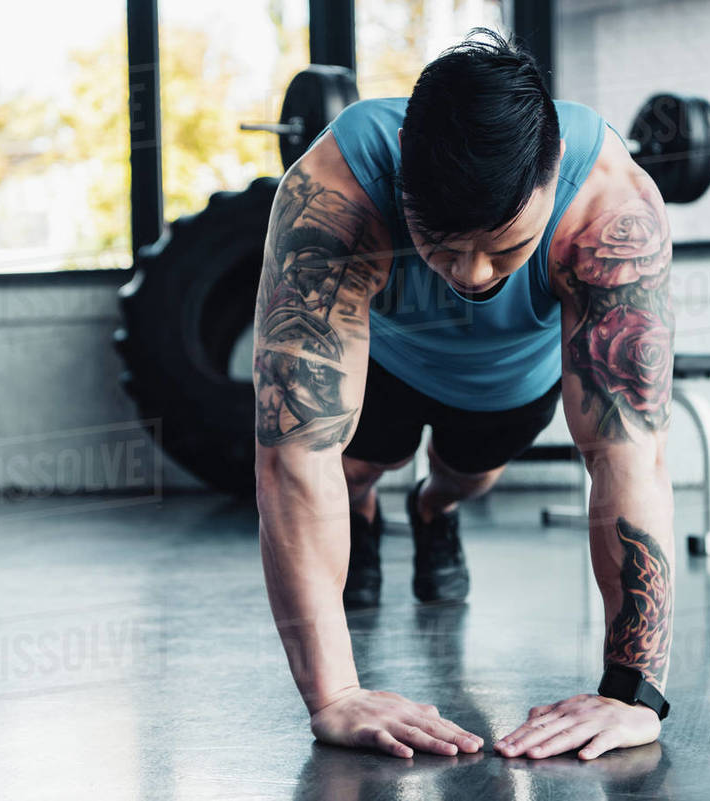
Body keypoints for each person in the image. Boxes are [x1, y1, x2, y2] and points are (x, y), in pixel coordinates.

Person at [253, 28, 675, 761]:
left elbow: (628, 455)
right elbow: (292, 456)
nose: (474, 275)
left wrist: (632, 692)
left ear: (551, 172)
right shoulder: (335, 190)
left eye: (504, 247)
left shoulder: (609, 204)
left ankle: (432, 509)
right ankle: (366, 510)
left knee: (463, 479)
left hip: (506, 380)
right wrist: (335, 694)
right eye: (442, 244)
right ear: (402, 174)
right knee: (349, 467)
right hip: (386, 364)